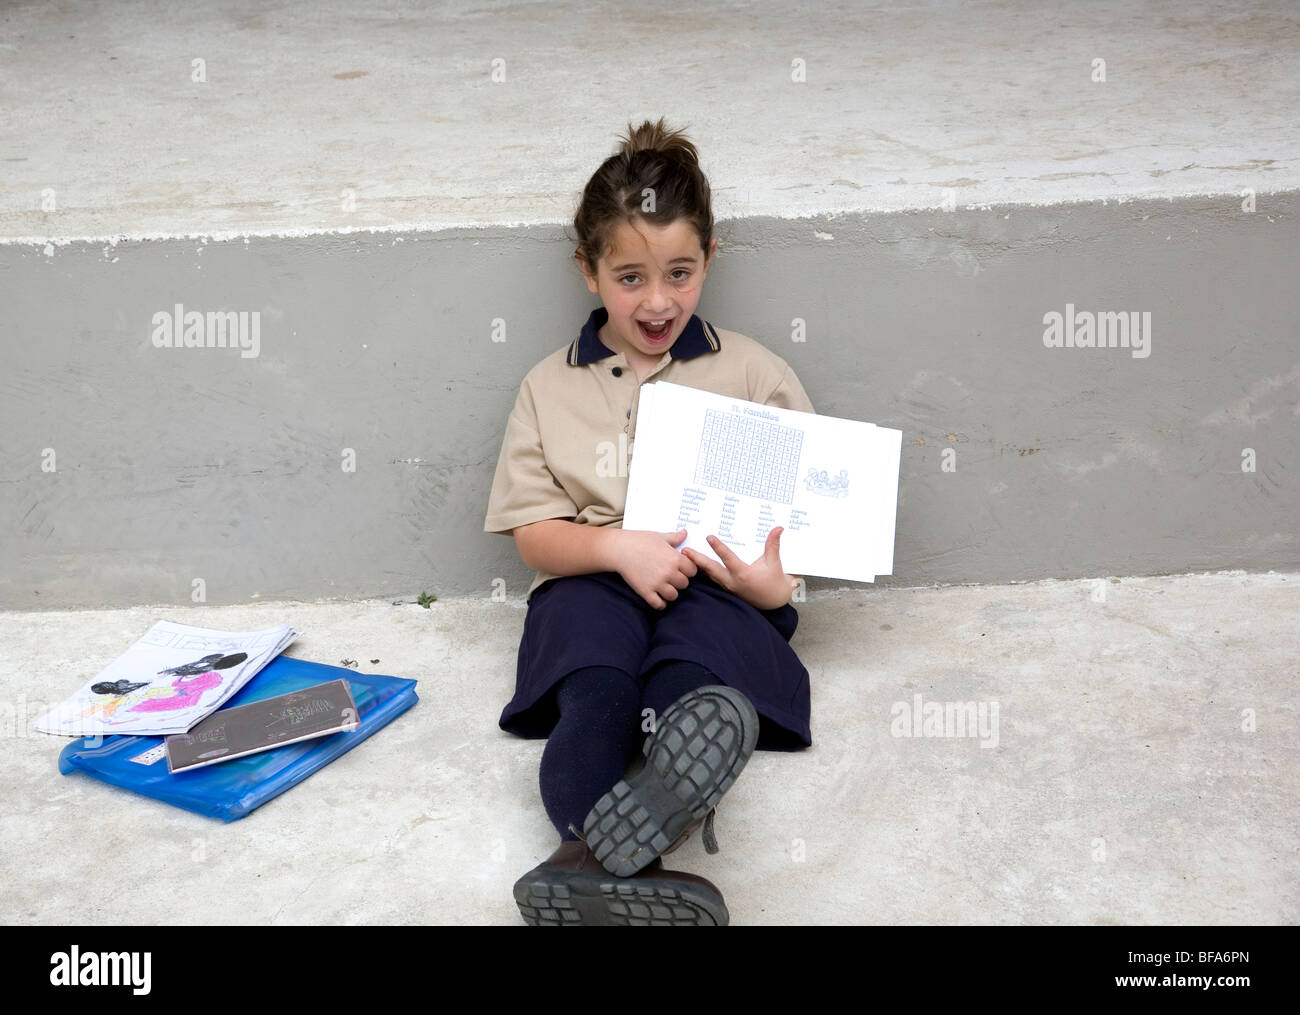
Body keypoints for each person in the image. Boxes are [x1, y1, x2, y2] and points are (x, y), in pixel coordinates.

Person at [483, 117, 817, 926]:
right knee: (596, 689)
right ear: (588, 272)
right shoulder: (546, 386)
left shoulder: (752, 371)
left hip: (716, 582)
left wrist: (773, 586)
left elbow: (798, 525)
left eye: (680, 271)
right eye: (630, 277)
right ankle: (597, 851)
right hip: (590, 577)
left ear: (710, 259)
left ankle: (591, 867)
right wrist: (615, 548)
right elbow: (535, 533)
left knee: (690, 691)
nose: (659, 299)